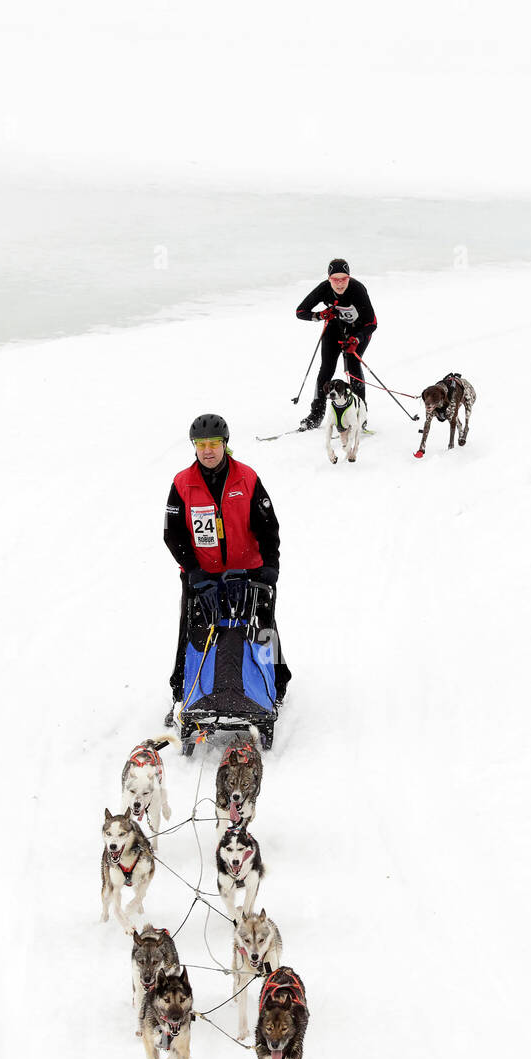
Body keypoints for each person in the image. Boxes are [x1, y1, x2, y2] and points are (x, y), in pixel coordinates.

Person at [163, 413, 290, 724]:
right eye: (201, 444)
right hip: (202, 574)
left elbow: (268, 527)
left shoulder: (246, 478)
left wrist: (270, 567)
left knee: (262, 628)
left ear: (225, 444)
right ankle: (182, 691)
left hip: (248, 572)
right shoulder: (182, 483)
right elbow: (173, 534)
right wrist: (193, 571)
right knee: (192, 630)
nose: (207, 450)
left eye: (214, 444)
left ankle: (275, 683)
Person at [295, 258, 377, 430]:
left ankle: (360, 414)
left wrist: (356, 339)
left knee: (353, 367)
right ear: (329, 279)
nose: (339, 283)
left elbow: (372, 323)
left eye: (344, 279)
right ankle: (316, 414)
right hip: (334, 330)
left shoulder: (357, 289)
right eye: (335, 279)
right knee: (326, 369)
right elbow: (300, 311)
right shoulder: (324, 288)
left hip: (358, 332)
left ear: (349, 278)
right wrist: (320, 315)